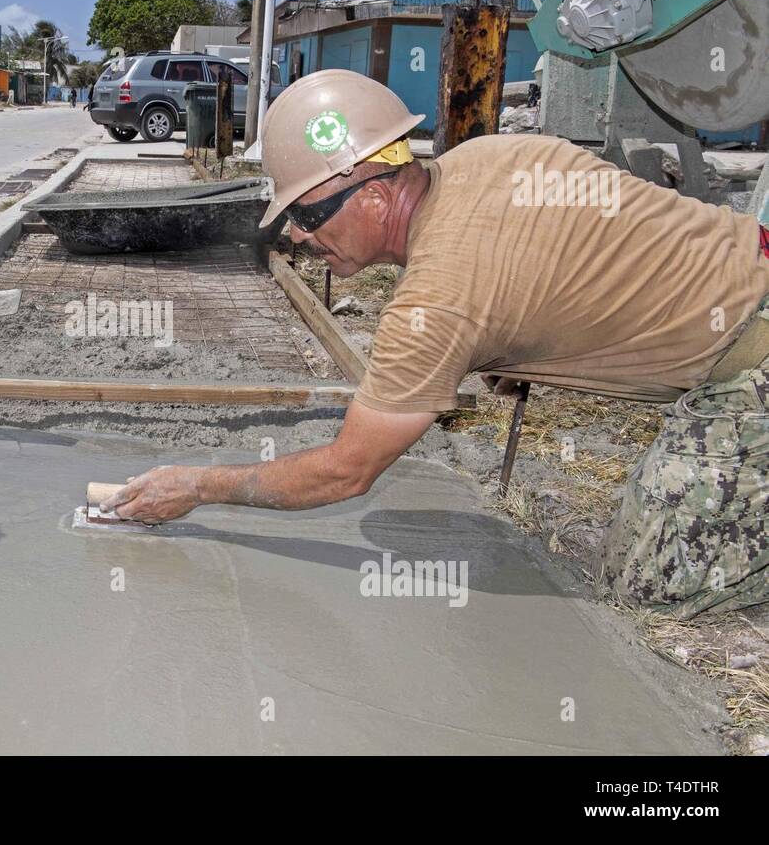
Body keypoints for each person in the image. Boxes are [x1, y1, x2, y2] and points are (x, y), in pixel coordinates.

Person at [103, 69, 769, 620]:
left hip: (753, 362)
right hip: (751, 270)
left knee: (654, 590)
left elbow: (347, 470)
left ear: (370, 190)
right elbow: (585, 248)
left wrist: (200, 485)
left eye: (306, 216)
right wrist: (523, 340)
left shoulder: (436, 300)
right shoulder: (481, 159)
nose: (299, 239)